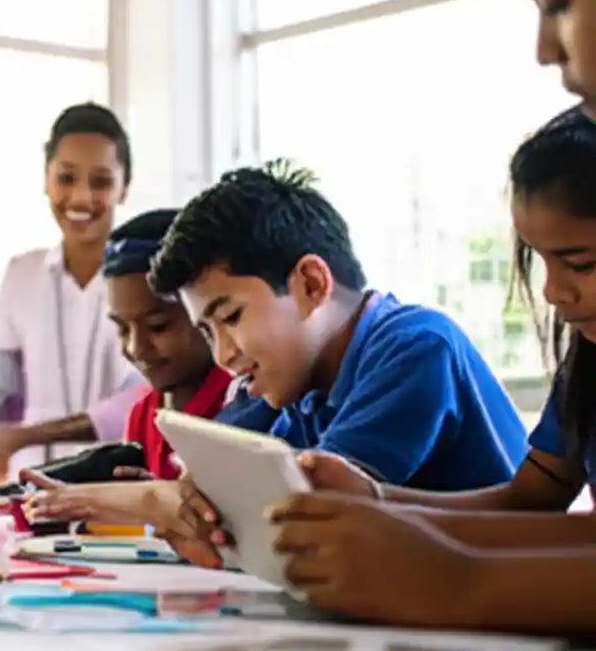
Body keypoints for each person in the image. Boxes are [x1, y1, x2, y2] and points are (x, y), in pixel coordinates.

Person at [30, 161, 527, 561]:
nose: (224, 356)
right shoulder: (295, 390)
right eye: (208, 331)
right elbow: (200, 491)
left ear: (311, 285)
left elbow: (314, 505)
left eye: (232, 317)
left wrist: (151, 500)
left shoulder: (415, 347)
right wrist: (178, 500)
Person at [264, 104, 596, 632]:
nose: (554, 293)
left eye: (581, 264)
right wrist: (378, 502)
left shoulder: (415, 343)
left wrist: (460, 580)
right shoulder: (587, 365)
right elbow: (529, 502)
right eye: (541, 262)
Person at [19, 209, 276, 523]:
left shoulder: (247, 402)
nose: (135, 348)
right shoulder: (144, 416)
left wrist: (157, 504)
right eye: (123, 328)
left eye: (158, 326)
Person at [0, 102, 142, 483]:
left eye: (101, 182)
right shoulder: (22, 273)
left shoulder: (142, 280)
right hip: (29, 488)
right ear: (46, 180)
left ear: (124, 189)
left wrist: (24, 436)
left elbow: (136, 402)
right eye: (66, 178)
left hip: (117, 489)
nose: (81, 198)